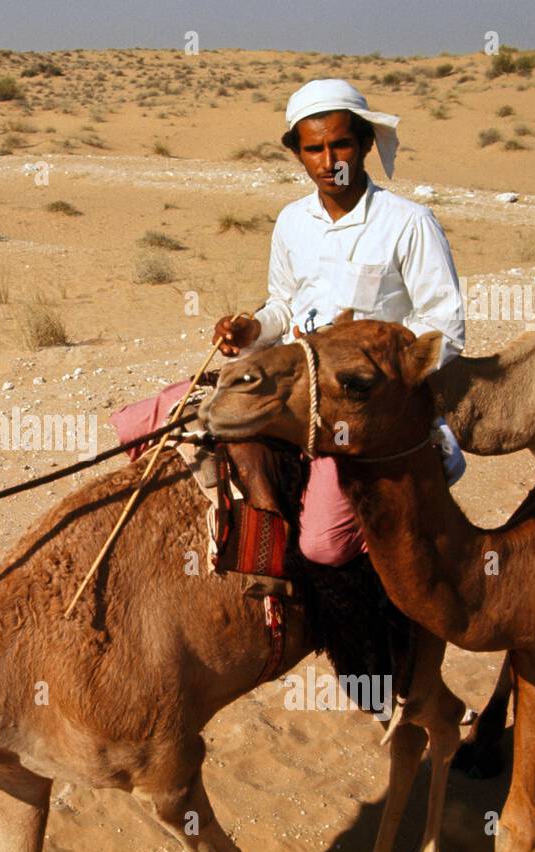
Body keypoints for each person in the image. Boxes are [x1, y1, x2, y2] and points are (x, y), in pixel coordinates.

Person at [213, 78, 466, 567]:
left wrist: (370, 366)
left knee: (324, 545)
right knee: (168, 422)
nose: (329, 161)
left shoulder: (408, 222)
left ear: (365, 143)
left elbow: (446, 324)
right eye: (314, 149)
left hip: (360, 402)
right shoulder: (291, 221)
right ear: (298, 154)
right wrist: (252, 329)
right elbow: (284, 305)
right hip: (292, 376)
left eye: (340, 144)